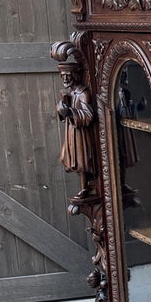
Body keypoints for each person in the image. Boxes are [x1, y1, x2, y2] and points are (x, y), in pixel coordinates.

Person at [55, 50, 95, 201]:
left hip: (81, 134)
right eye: (63, 76)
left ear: (75, 76)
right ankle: (84, 186)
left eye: (68, 76)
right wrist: (61, 109)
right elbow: (62, 114)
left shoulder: (83, 93)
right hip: (71, 131)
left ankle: (85, 187)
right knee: (72, 159)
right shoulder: (69, 94)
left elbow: (89, 114)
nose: (65, 79)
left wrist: (71, 111)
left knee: (81, 160)